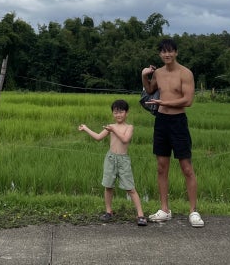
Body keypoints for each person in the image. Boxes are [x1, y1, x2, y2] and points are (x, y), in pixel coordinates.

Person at [141, 37, 204, 227]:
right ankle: (164, 209)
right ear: (160, 54)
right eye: (163, 51)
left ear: (176, 52)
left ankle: (193, 211)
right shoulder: (158, 73)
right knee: (161, 166)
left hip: (178, 121)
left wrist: (165, 103)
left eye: (170, 51)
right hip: (161, 122)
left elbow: (188, 100)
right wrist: (144, 75)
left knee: (186, 167)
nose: (166, 54)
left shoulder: (185, 73)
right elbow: (150, 90)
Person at [77, 99, 148, 226]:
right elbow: (98, 137)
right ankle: (109, 211)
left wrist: (113, 130)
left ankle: (140, 215)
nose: (118, 115)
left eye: (121, 112)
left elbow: (125, 140)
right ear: (112, 114)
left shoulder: (129, 127)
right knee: (108, 186)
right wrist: (86, 128)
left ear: (127, 113)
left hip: (123, 160)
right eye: (115, 112)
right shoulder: (111, 126)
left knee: (130, 188)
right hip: (110, 158)